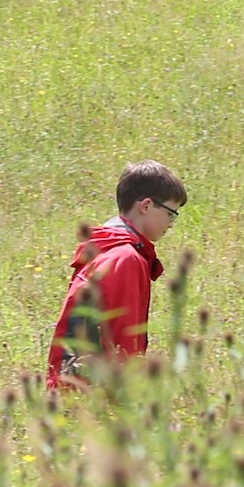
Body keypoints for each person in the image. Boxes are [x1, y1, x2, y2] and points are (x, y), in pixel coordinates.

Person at [46, 159, 187, 390]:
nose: (171, 224)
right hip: (94, 399)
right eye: (171, 214)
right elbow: (124, 339)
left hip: (71, 389)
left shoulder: (102, 249)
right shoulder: (126, 259)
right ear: (147, 206)